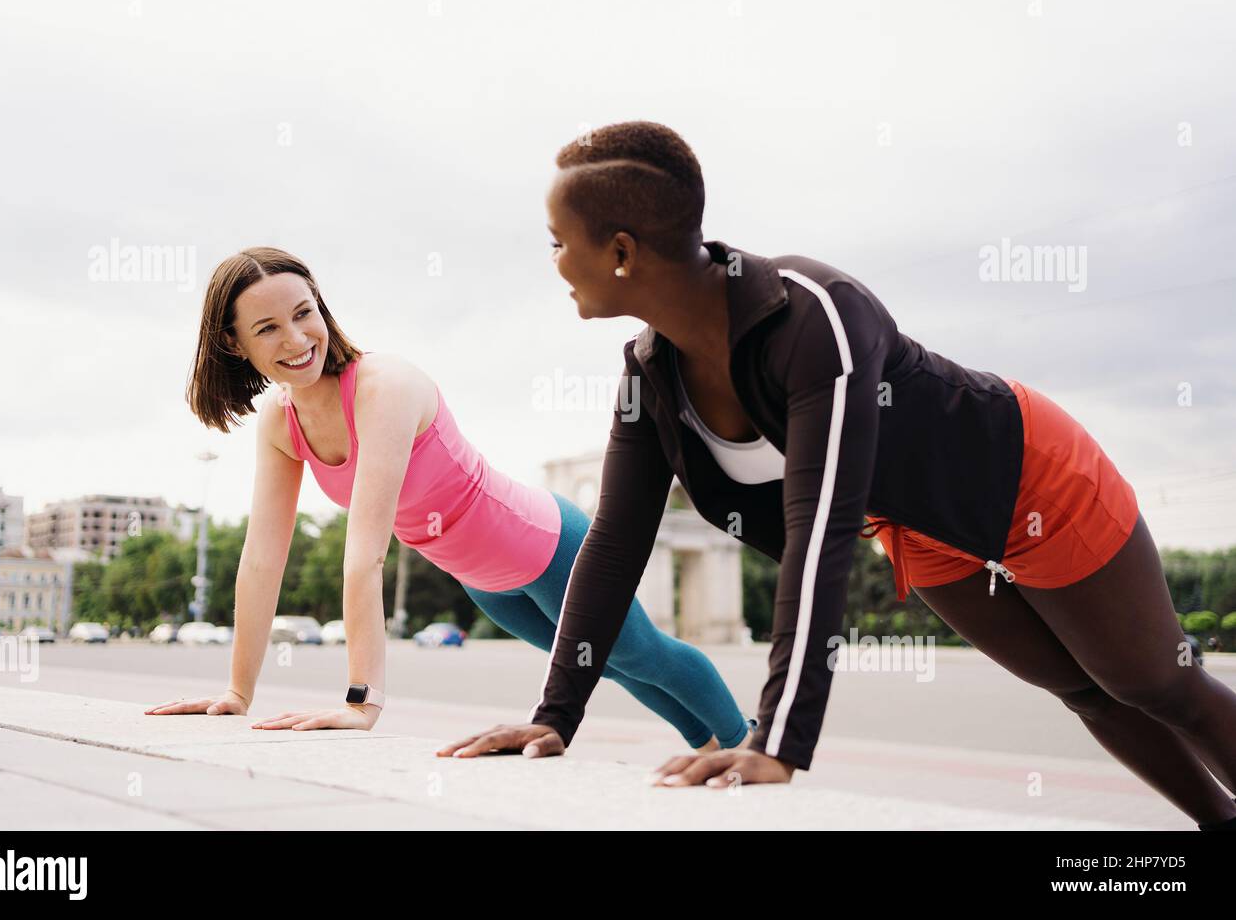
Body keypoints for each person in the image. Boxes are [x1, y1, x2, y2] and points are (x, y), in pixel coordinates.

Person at [438, 122, 1236, 831]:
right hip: (922, 531)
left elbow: (817, 530)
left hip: (1032, 478)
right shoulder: (648, 373)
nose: (553, 262)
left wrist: (778, 742)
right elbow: (614, 544)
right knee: (1087, 693)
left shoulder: (815, 313)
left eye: (556, 241)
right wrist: (554, 717)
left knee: (1158, 684)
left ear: (619, 251)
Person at [146, 246, 752, 754]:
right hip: (483, 580)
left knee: (638, 652)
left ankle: (747, 748)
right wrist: (237, 694)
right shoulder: (281, 423)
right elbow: (261, 560)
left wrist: (363, 702)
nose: (297, 338)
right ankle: (710, 754)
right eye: (267, 328)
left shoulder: (383, 387)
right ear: (232, 343)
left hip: (545, 541)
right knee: (617, 664)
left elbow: (365, 557)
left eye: (305, 313)